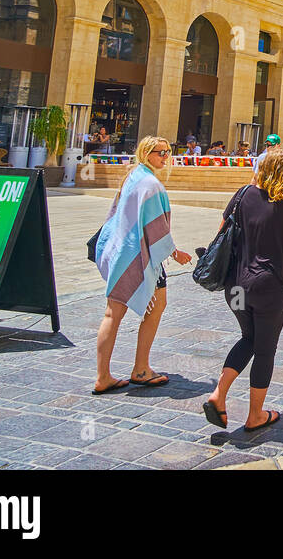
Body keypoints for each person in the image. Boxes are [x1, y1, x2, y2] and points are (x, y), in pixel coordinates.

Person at [204, 148, 283, 432]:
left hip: (235, 285)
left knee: (248, 337)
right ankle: (255, 415)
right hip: (267, 286)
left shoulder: (243, 194)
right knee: (265, 349)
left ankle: (218, 394)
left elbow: (222, 232)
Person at [93, 136, 193, 395]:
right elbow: (156, 228)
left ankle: (103, 375)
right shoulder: (150, 184)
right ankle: (141, 368)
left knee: (112, 314)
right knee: (157, 306)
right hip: (142, 257)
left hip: (122, 253)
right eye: (160, 152)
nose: (165, 157)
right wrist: (175, 253)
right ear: (146, 153)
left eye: (168, 152)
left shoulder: (134, 176)